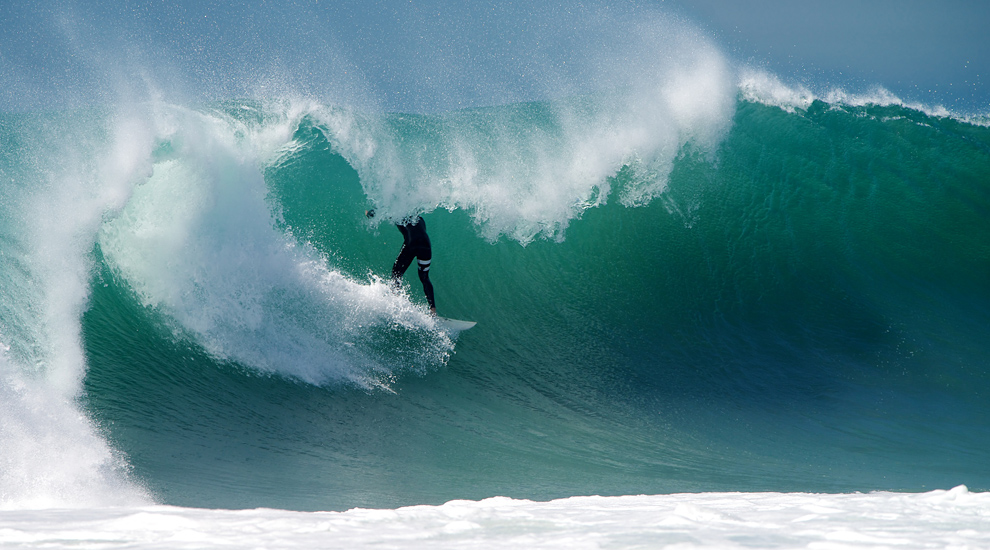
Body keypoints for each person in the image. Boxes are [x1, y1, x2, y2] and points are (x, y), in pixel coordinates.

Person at [366, 209, 436, 314]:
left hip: (411, 243)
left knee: (396, 273)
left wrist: (368, 213)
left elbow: (378, 213)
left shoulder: (396, 213)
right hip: (426, 244)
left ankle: (395, 303)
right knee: (424, 277)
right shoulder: (418, 217)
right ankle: (433, 310)